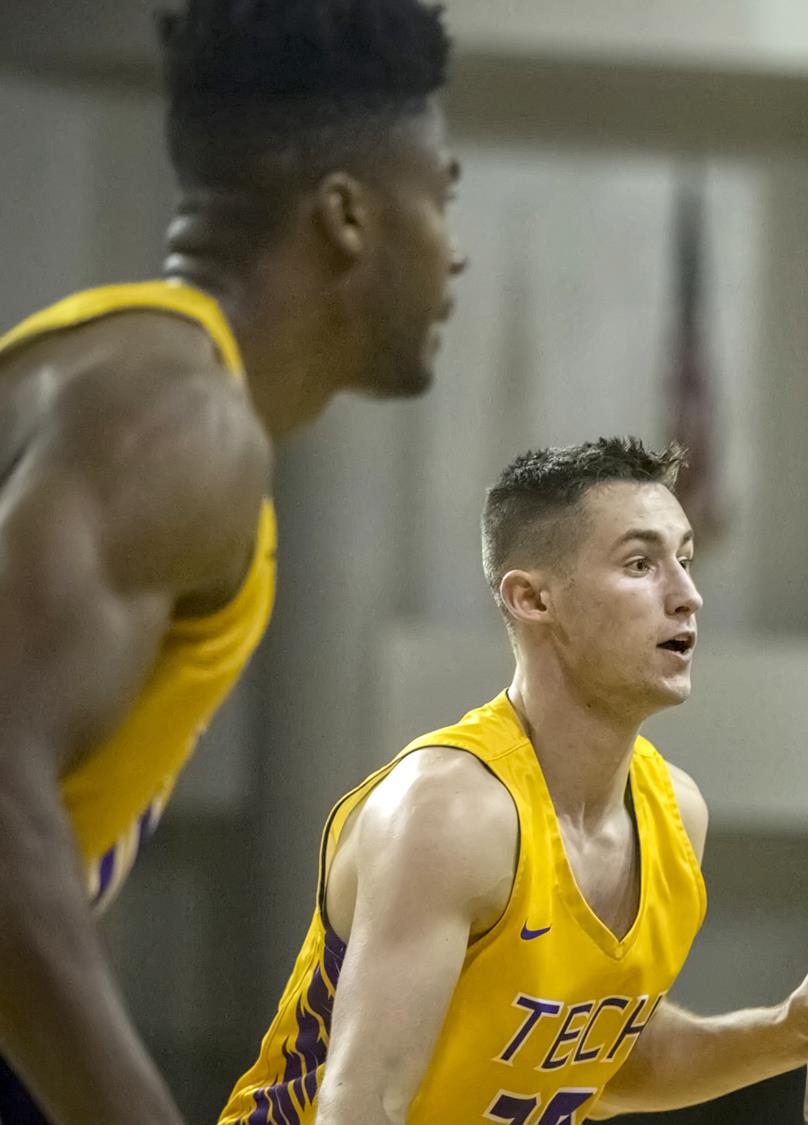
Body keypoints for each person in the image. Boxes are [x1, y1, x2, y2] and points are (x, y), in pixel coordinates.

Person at [0, 2, 466, 1120]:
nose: (456, 249)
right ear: (347, 215)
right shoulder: (182, 420)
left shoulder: (108, 370)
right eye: (442, 197)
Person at [219, 437, 808, 1124]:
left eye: (685, 559)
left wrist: (788, 1029)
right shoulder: (449, 811)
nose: (687, 595)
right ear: (532, 598)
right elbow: (362, 1103)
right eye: (640, 564)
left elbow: (605, 1065)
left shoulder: (676, 813)